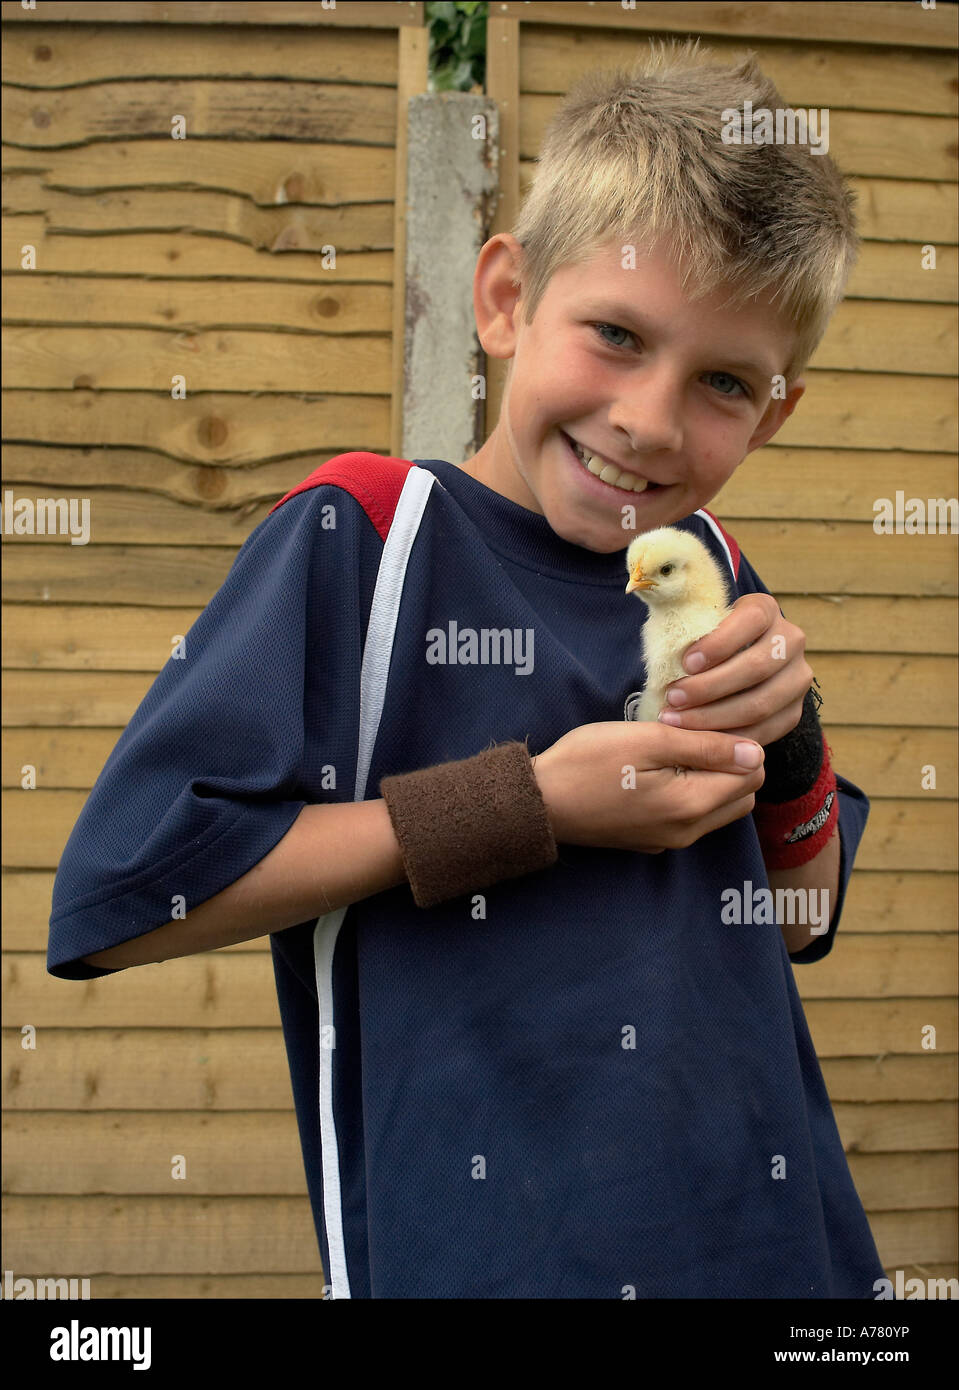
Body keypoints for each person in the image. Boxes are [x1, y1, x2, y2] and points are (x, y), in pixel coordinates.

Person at [48, 40, 885, 1299]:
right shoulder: (360, 534)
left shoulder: (704, 564)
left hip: (779, 1256)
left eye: (720, 381)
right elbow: (119, 901)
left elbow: (800, 916)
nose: (650, 419)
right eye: (613, 333)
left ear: (773, 412)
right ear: (503, 299)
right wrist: (532, 805)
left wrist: (795, 749)